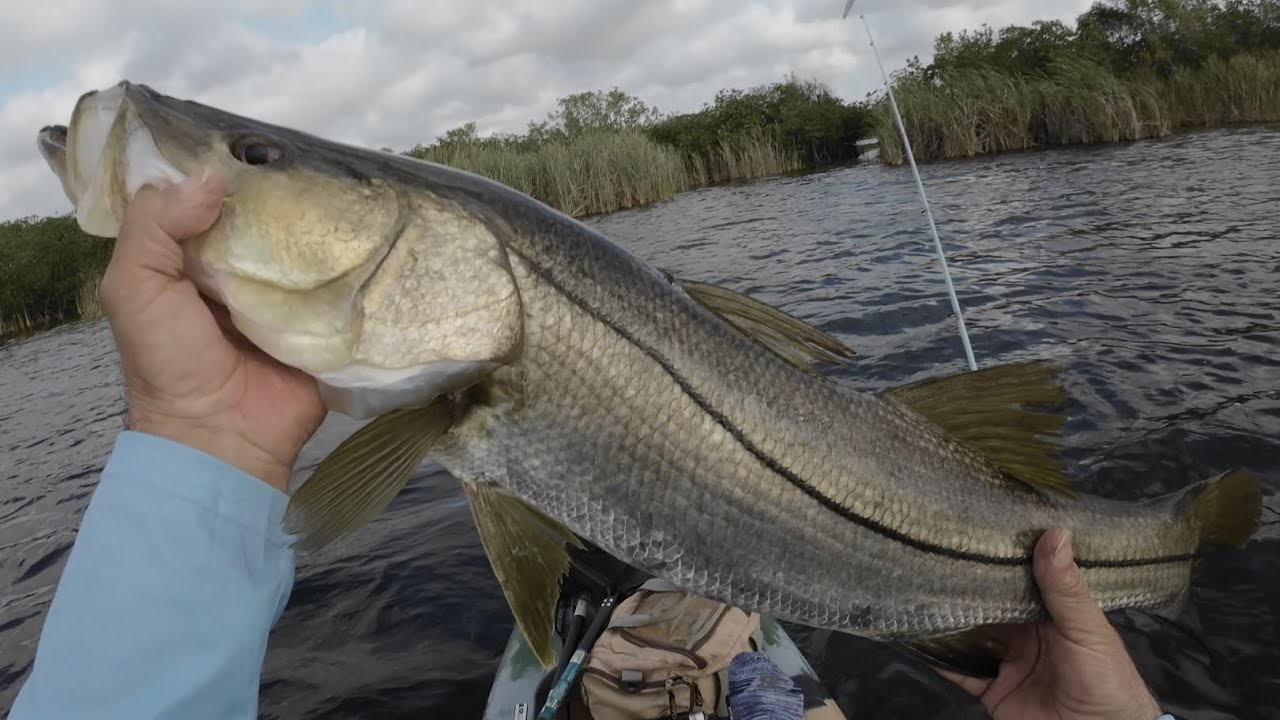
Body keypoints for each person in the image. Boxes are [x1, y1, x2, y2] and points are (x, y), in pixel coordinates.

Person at [8, 172, 1175, 720]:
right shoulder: (448, 379)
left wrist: (194, 439)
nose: (219, 183)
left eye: (255, 164)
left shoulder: (468, 365)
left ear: (457, 265)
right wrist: (201, 420)